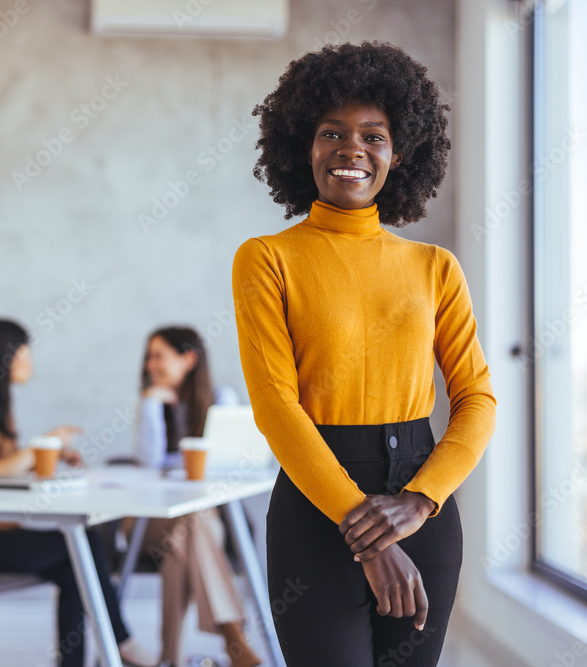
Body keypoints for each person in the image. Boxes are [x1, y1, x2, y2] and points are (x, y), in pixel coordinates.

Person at [232, 42, 496, 667]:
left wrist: (419, 500)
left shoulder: (435, 267)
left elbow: (477, 397)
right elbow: (275, 405)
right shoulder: (266, 258)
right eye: (332, 133)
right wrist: (368, 534)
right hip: (315, 501)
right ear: (304, 146)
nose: (353, 149)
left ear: (400, 153)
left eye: (374, 136)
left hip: (421, 504)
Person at [0, 318, 158, 667]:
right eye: (25, 352)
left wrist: (47, 457)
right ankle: (122, 642)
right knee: (81, 544)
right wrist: (46, 444)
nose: (30, 361)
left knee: (76, 567)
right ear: (5, 357)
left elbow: (4, 467)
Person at [131, 326, 261, 667]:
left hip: (200, 520)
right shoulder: (152, 404)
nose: (150, 365)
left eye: (159, 355)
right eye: (149, 356)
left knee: (183, 541)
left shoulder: (221, 401)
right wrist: (149, 405)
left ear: (188, 359)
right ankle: (234, 637)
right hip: (150, 520)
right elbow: (148, 463)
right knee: (192, 523)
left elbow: (230, 464)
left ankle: (170, 659)